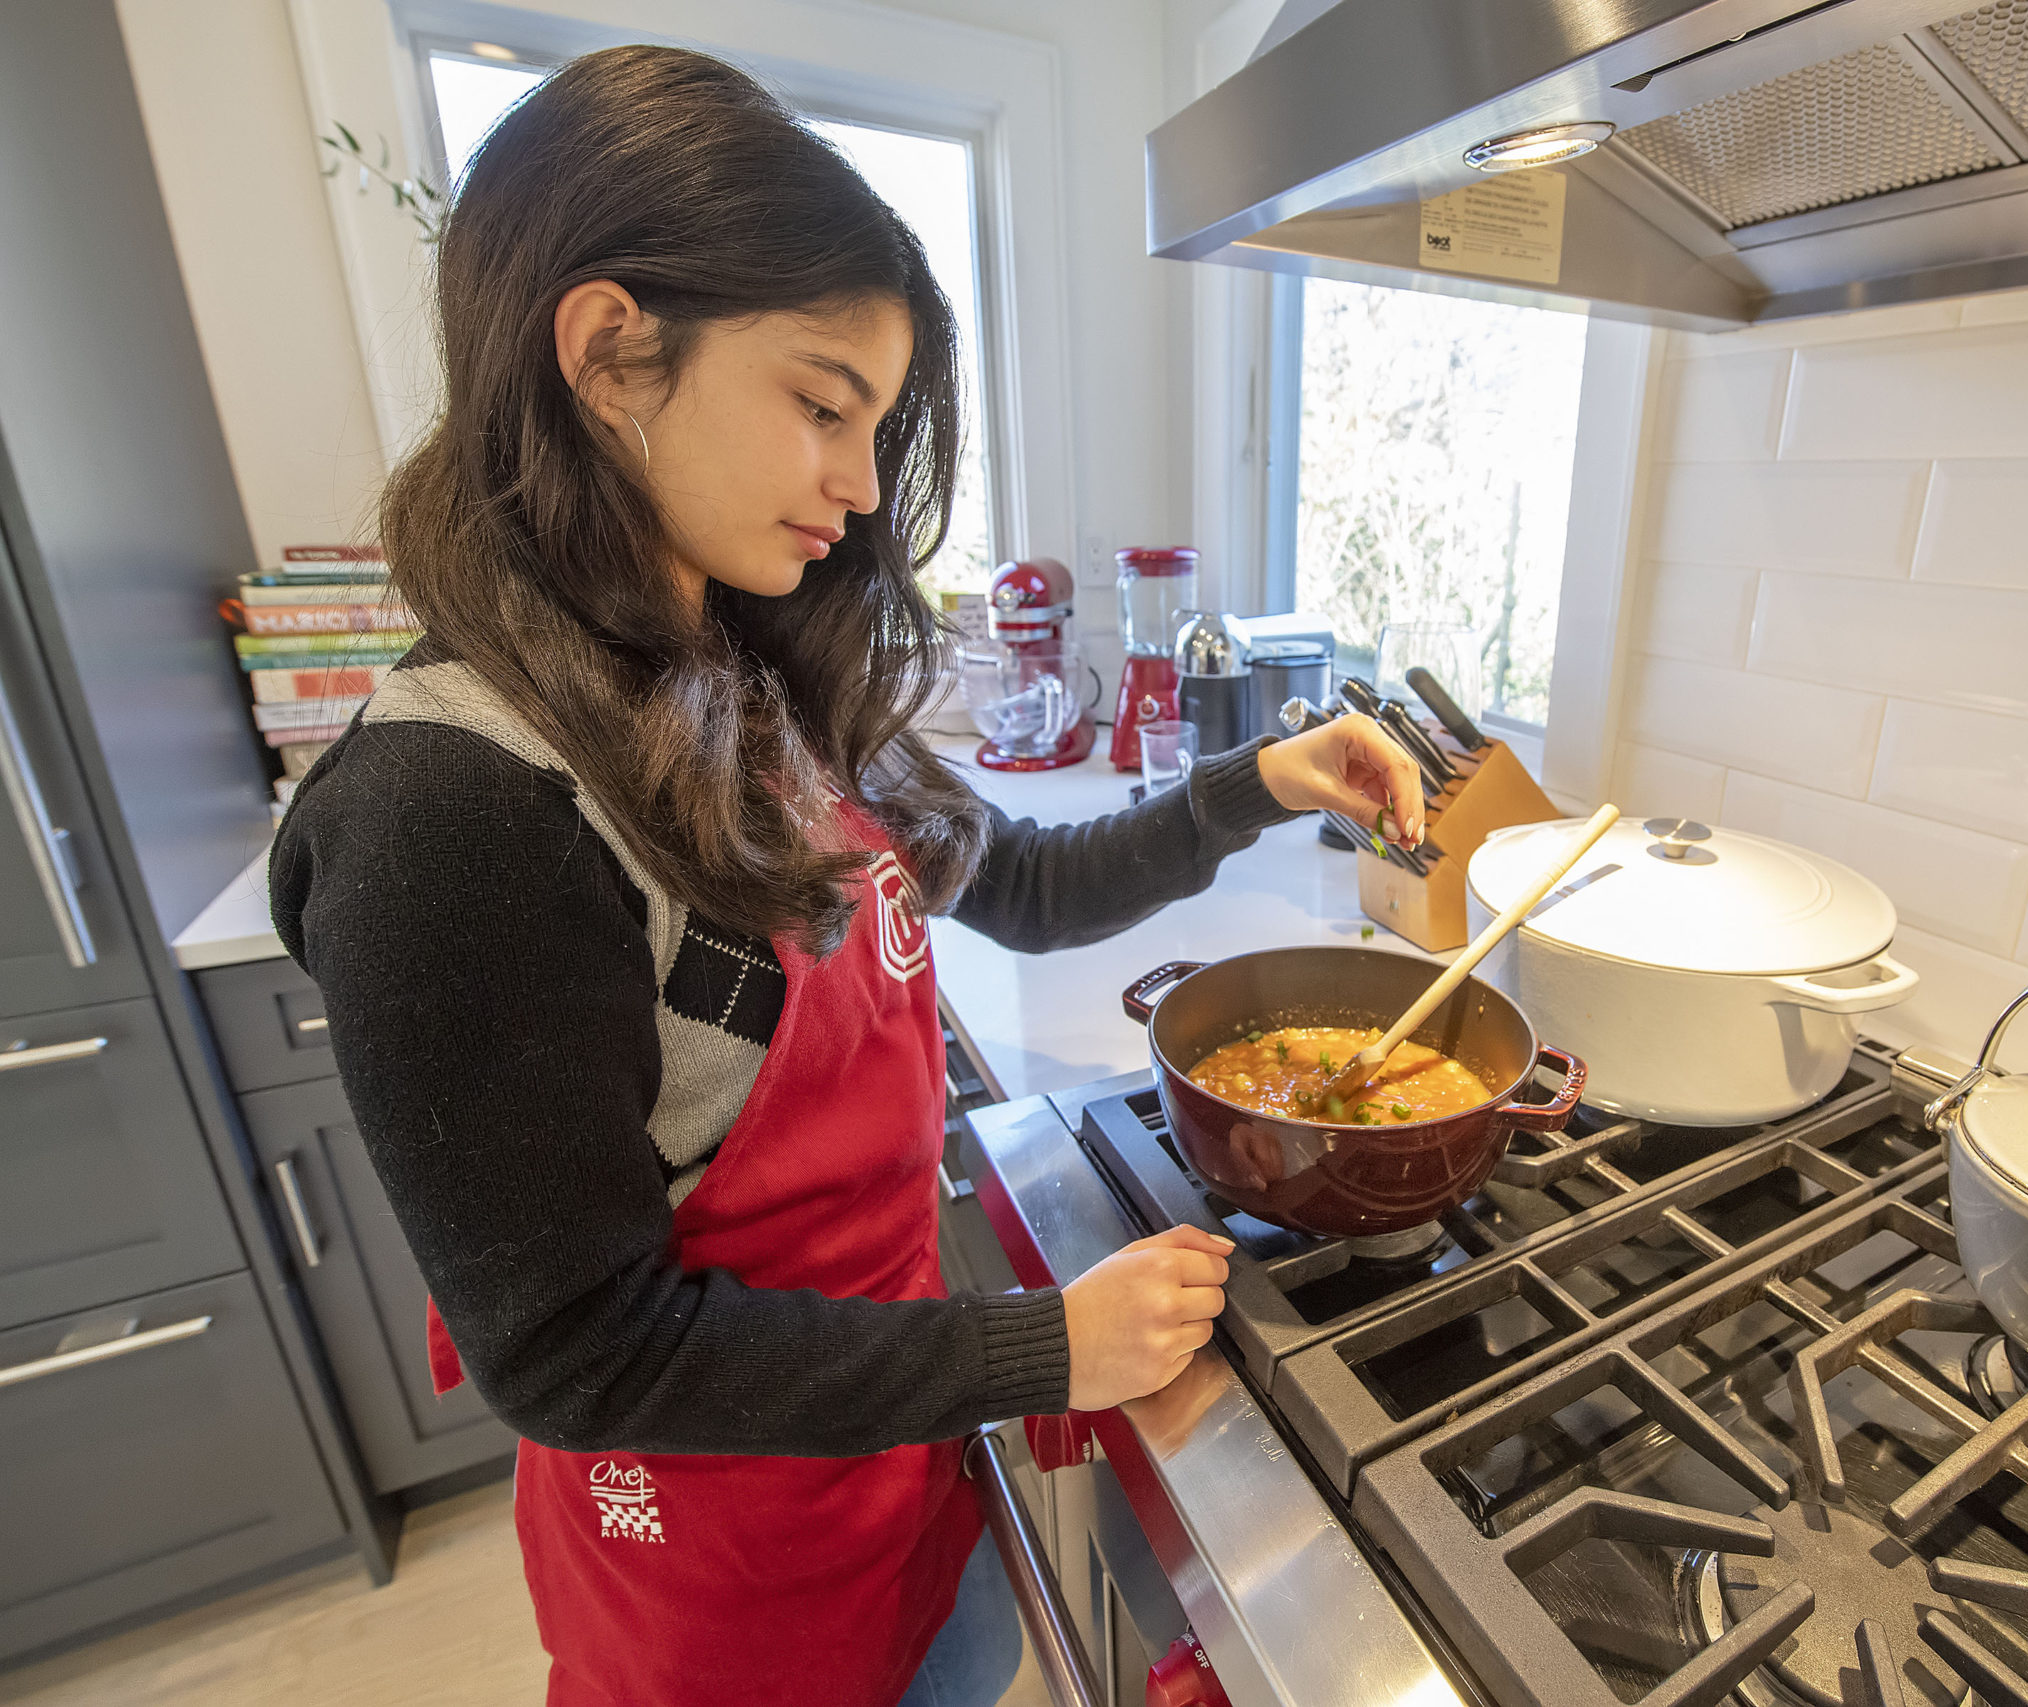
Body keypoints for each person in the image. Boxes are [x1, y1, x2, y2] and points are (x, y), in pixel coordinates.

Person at [267, 44, 1424, 1707]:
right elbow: (579, 1353)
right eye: (821, 404)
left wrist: (1256, 782)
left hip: (894, 1481)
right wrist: (1046, 1347)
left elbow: (1016, 886)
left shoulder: (749, 676)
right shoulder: (451, 814)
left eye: (876, 425)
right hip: (719, 1590)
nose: (863, 484)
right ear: (607, 352)